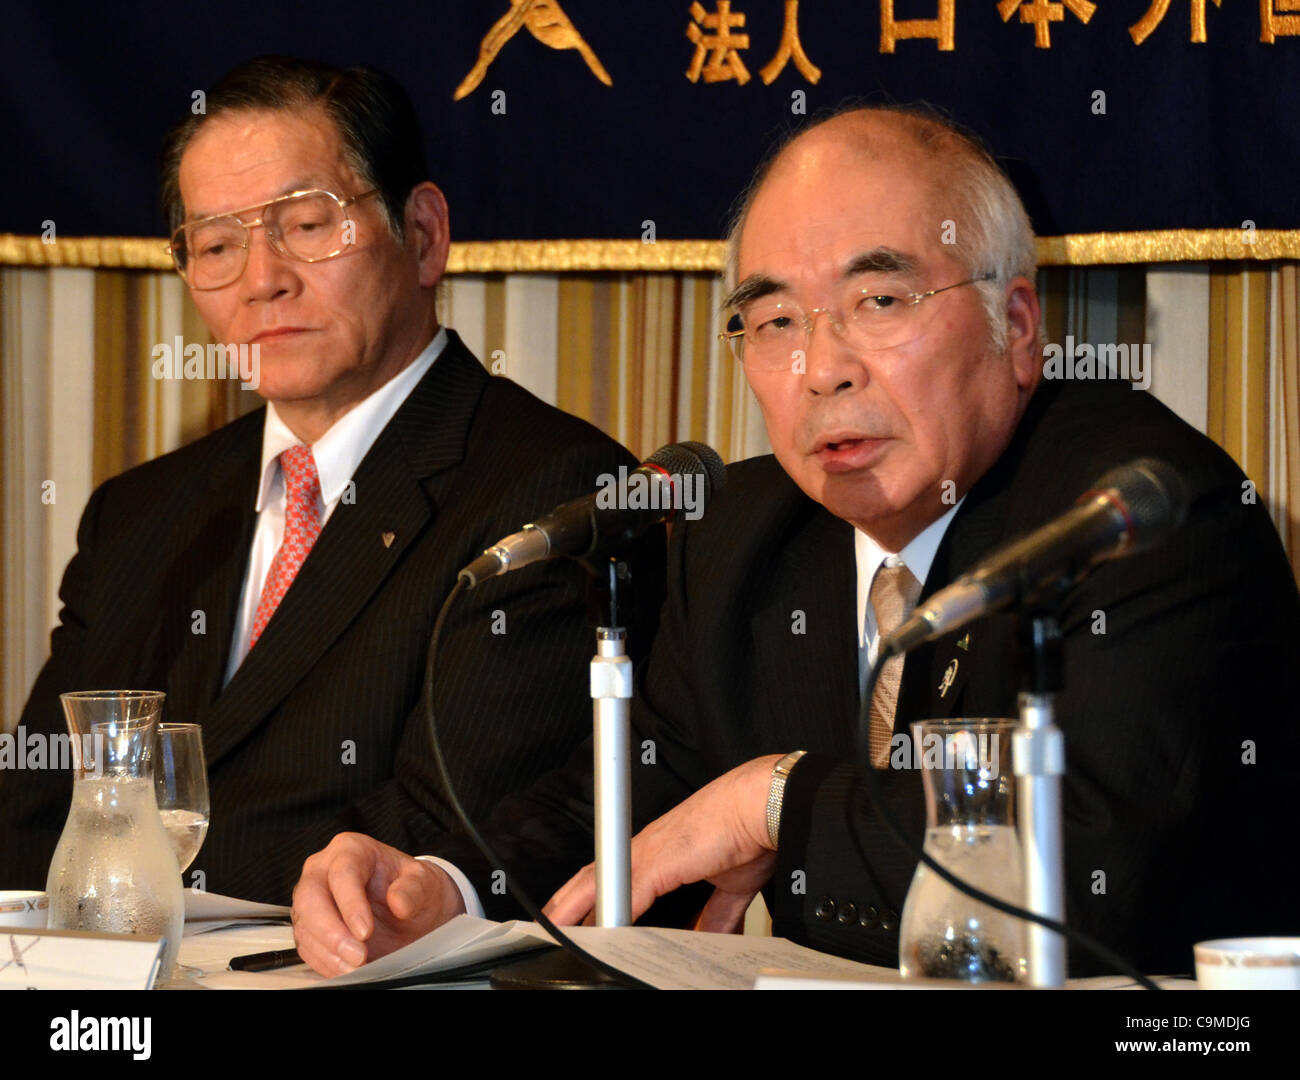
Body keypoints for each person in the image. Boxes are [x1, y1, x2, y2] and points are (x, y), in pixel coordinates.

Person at [290, 106, 1300, 977]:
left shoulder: (1141, 514)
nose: (821, 369)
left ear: (1017, 326)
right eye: (772, 320)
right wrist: (440, 884)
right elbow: (641, 795)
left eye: (879, 302)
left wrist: (775, 799)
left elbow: (1088, 867)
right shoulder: (743, 534)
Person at [0, 56, 662, 904]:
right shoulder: (136, 513)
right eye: (215, 245)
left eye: (308, 225)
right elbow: (37, 816)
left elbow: (442, 834)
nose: (261, 279)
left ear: (422, 235)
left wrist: (134, 890)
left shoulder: (552, 492)